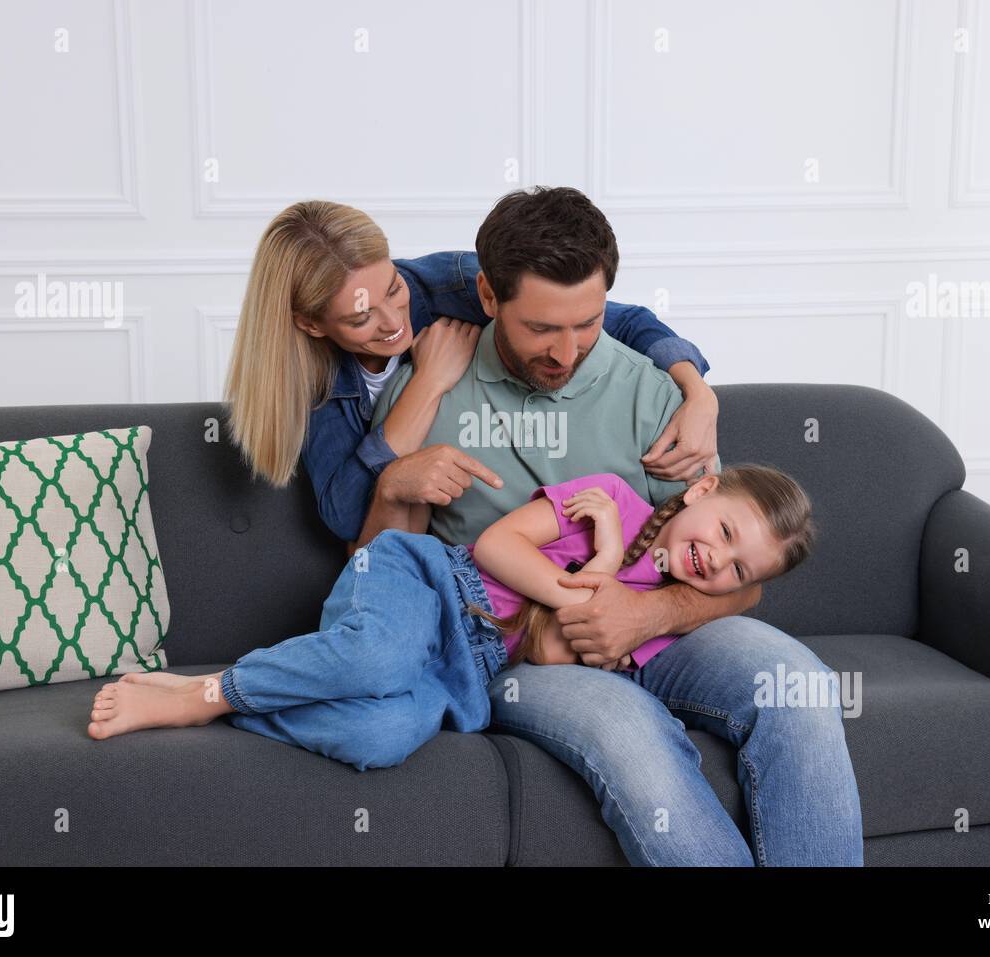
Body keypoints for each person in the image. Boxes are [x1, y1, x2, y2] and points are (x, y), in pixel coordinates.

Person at [356, 186, 864, 866]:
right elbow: (375, 573)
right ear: (487, 294)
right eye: (541, 328)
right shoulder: (432, 389)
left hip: (662, 632)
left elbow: (741, 581)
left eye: (588, 323)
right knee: (630, 730)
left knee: (798, 685)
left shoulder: (652, 391)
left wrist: (643, 615)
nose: (566, 352)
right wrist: (393, 486)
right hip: (523, 649)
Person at [85, 468, 811, 780]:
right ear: (703, 488)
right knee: (375, 659)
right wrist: (606, 559)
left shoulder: (652, 631)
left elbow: (550, 654)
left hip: (466, 672)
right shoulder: (612, 500)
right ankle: (200, 693)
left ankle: (234, 709)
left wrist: (590, 594)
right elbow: (497, 546)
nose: (716, 559)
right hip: (424, 582)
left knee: (381, 735)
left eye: (738, 568)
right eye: (723, 530)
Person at [217, 200, 720, 549]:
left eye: (393, 288)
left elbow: (616, 317)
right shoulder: (314, 383)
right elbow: (350, 517)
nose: (395, 323)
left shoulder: (446, 285)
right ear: (309, 324)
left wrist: (698, 393)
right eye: (360, 317)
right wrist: (430, 383)